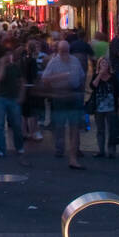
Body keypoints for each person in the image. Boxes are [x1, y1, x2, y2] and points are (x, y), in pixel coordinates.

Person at [41, 40, 87, 169]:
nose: (65, 53)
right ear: (59, 51)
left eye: (66, 51)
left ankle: (74, 152)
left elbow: (82, 77)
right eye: (62, 51)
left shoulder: (75, 61)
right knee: (60, 125)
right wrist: (60, 77)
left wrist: (81, 91)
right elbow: (45, 79)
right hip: (60, 96)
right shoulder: (54, 62)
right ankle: (60, 148)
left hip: (74, 95)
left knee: (74, 126)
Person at [0, 44, 27, 158]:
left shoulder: (15, 67)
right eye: (6, 55)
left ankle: (19, 146)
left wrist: (21, 96)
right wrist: (3, 65)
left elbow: (22, 81)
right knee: (0, 125)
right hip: (1, 99)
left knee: (17, 124)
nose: (9, 57)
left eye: (10, 54)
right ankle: (1, 149)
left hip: (13, 98)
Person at [87, 56, 119, 159]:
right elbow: (93, 86)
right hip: (99, 108)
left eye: (105, 63)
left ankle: (111, 151)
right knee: (100, 130)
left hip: (111, 108)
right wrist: (99, 74)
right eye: (102, 63)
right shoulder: (96, 75)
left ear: (109, 66)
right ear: (99, 65)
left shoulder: (113, 77)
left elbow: (118, 92)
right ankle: (101, 150)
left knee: (112, 129)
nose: (104, 65)